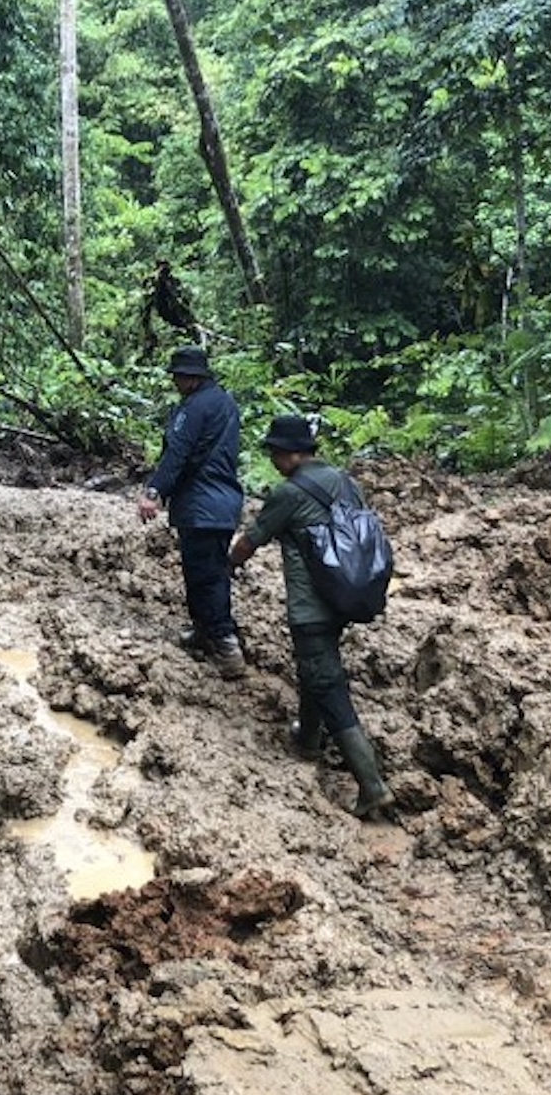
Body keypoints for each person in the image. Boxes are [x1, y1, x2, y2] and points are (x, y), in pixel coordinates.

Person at [226, 415, 395, 818]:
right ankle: (308, 738)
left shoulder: (288, 493)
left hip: (311, 608)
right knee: (314, 671)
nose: (272, 461)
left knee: (327, 684)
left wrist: (226, 563)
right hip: (344, 598)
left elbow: (252, 539)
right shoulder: (345, 481)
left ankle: (371, 785)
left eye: (274, 453)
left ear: (291, 454)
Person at [136, 346, 246, 678]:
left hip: (201, 504)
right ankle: (204, 632)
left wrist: (154, 491)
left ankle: (226, 644)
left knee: (206, 576)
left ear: (190, 378)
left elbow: (178, 453)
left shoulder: (193, 408)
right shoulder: (226, 403)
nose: (175, 384)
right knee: (207, 571)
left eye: (178, 377)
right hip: (225, 502)